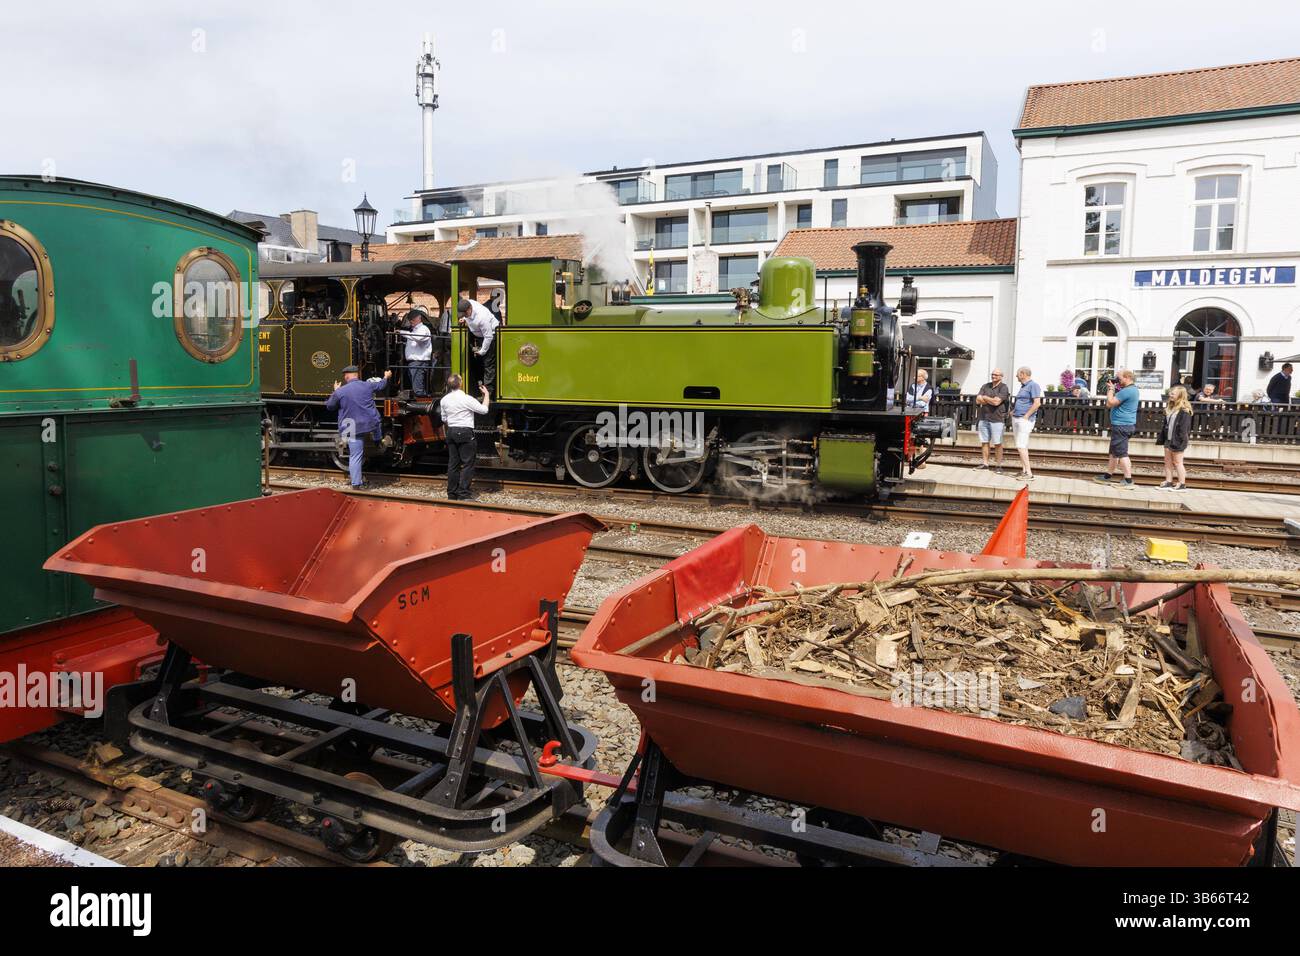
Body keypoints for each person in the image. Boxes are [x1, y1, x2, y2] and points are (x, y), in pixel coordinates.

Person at [326, 365, 391, 489]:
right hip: (369, 424)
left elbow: (330, 406)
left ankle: (356, 484)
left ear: (346, 377)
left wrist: (335, 391)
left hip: (352, 426)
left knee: (355, 455)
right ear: (357, 375)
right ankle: (378, 441)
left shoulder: (341, 391)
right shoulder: (367, 385)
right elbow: (381, 385)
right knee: (377, 419)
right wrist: (386, 377)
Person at [439, 373, 490, 500]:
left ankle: (452, 493)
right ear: (460, 384)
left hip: (451, 431)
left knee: (453, 464)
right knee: (468, 464)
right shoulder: (467, 398)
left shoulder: (444, 400)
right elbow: (484, 410)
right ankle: (463, 494)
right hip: (465, 432)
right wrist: (487, 395)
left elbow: (444, 418)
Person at [1096, 368, 1140, 487]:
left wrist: (1111, 389)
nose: (1117, 380)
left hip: (1122, 425)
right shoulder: (1132, 390)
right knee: (1114, 453)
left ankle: (1128, 480)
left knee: (1121, 454)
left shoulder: (1127, 391)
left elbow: (1109, 403)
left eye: (1119, 378)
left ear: (1127, 377)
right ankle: (1108, 476)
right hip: (1124, 425)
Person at [457, 296, 499, 391]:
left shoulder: (482, 317)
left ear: (470, 309)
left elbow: (488, 337)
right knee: (478, 363)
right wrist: (464, 319)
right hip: (478, 334)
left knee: (488, 365)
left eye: (465, 314)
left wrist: (482, 351)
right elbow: (467, 315)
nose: (464, 315)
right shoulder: (468, 303)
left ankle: (488, 393)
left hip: (490, 336)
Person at [1155, 385, 1192, 491]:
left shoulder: (1184, 410)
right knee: (1167, 461)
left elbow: (1183, 429)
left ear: (1180, 396)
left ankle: (1182, 484)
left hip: (1178, 439)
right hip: (1168, 439)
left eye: (1173, 393)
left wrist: (1180, 441)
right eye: (1170, 393)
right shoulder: (1170, 408)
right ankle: (1169, 481)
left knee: (1178, 462)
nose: (1170, 395)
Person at [973, 369, 1010, 471]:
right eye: (992, 374)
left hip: (997, 419)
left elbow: (996, 403)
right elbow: (977, 399)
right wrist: (990, 399)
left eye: (996, 375)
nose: (993, 376)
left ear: (1001, 376)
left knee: (997, 443)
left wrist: (985, 397)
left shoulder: (1003, 387)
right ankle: (985, 464)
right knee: (984, 442)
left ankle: (998, 465)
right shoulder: (985, 386)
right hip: (983, 418)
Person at [1010, 367, 1042, 481]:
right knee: (1021, 445)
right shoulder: (1023, 386)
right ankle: (1024, 471)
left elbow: (1037, 403)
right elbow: (1023, 401)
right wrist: (1014, 412)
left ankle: (1029, 473)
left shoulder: (1033, 385)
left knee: (1021, 445)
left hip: (1024, 420)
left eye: (1018, 374)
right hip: (1017, 417)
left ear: (1023, 374)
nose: (1016, 376)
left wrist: (1026, 416)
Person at [396, 308, 433, 396]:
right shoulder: (414, 330)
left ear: (418, 319)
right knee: (415, 385)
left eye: (412, 319)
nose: (411, 321)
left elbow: (418, 338)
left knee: (418, 388)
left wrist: (401, 332)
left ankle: (422, 402)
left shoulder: (423, 329)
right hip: (413, 362)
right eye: (410, 319)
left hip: (419, 362)